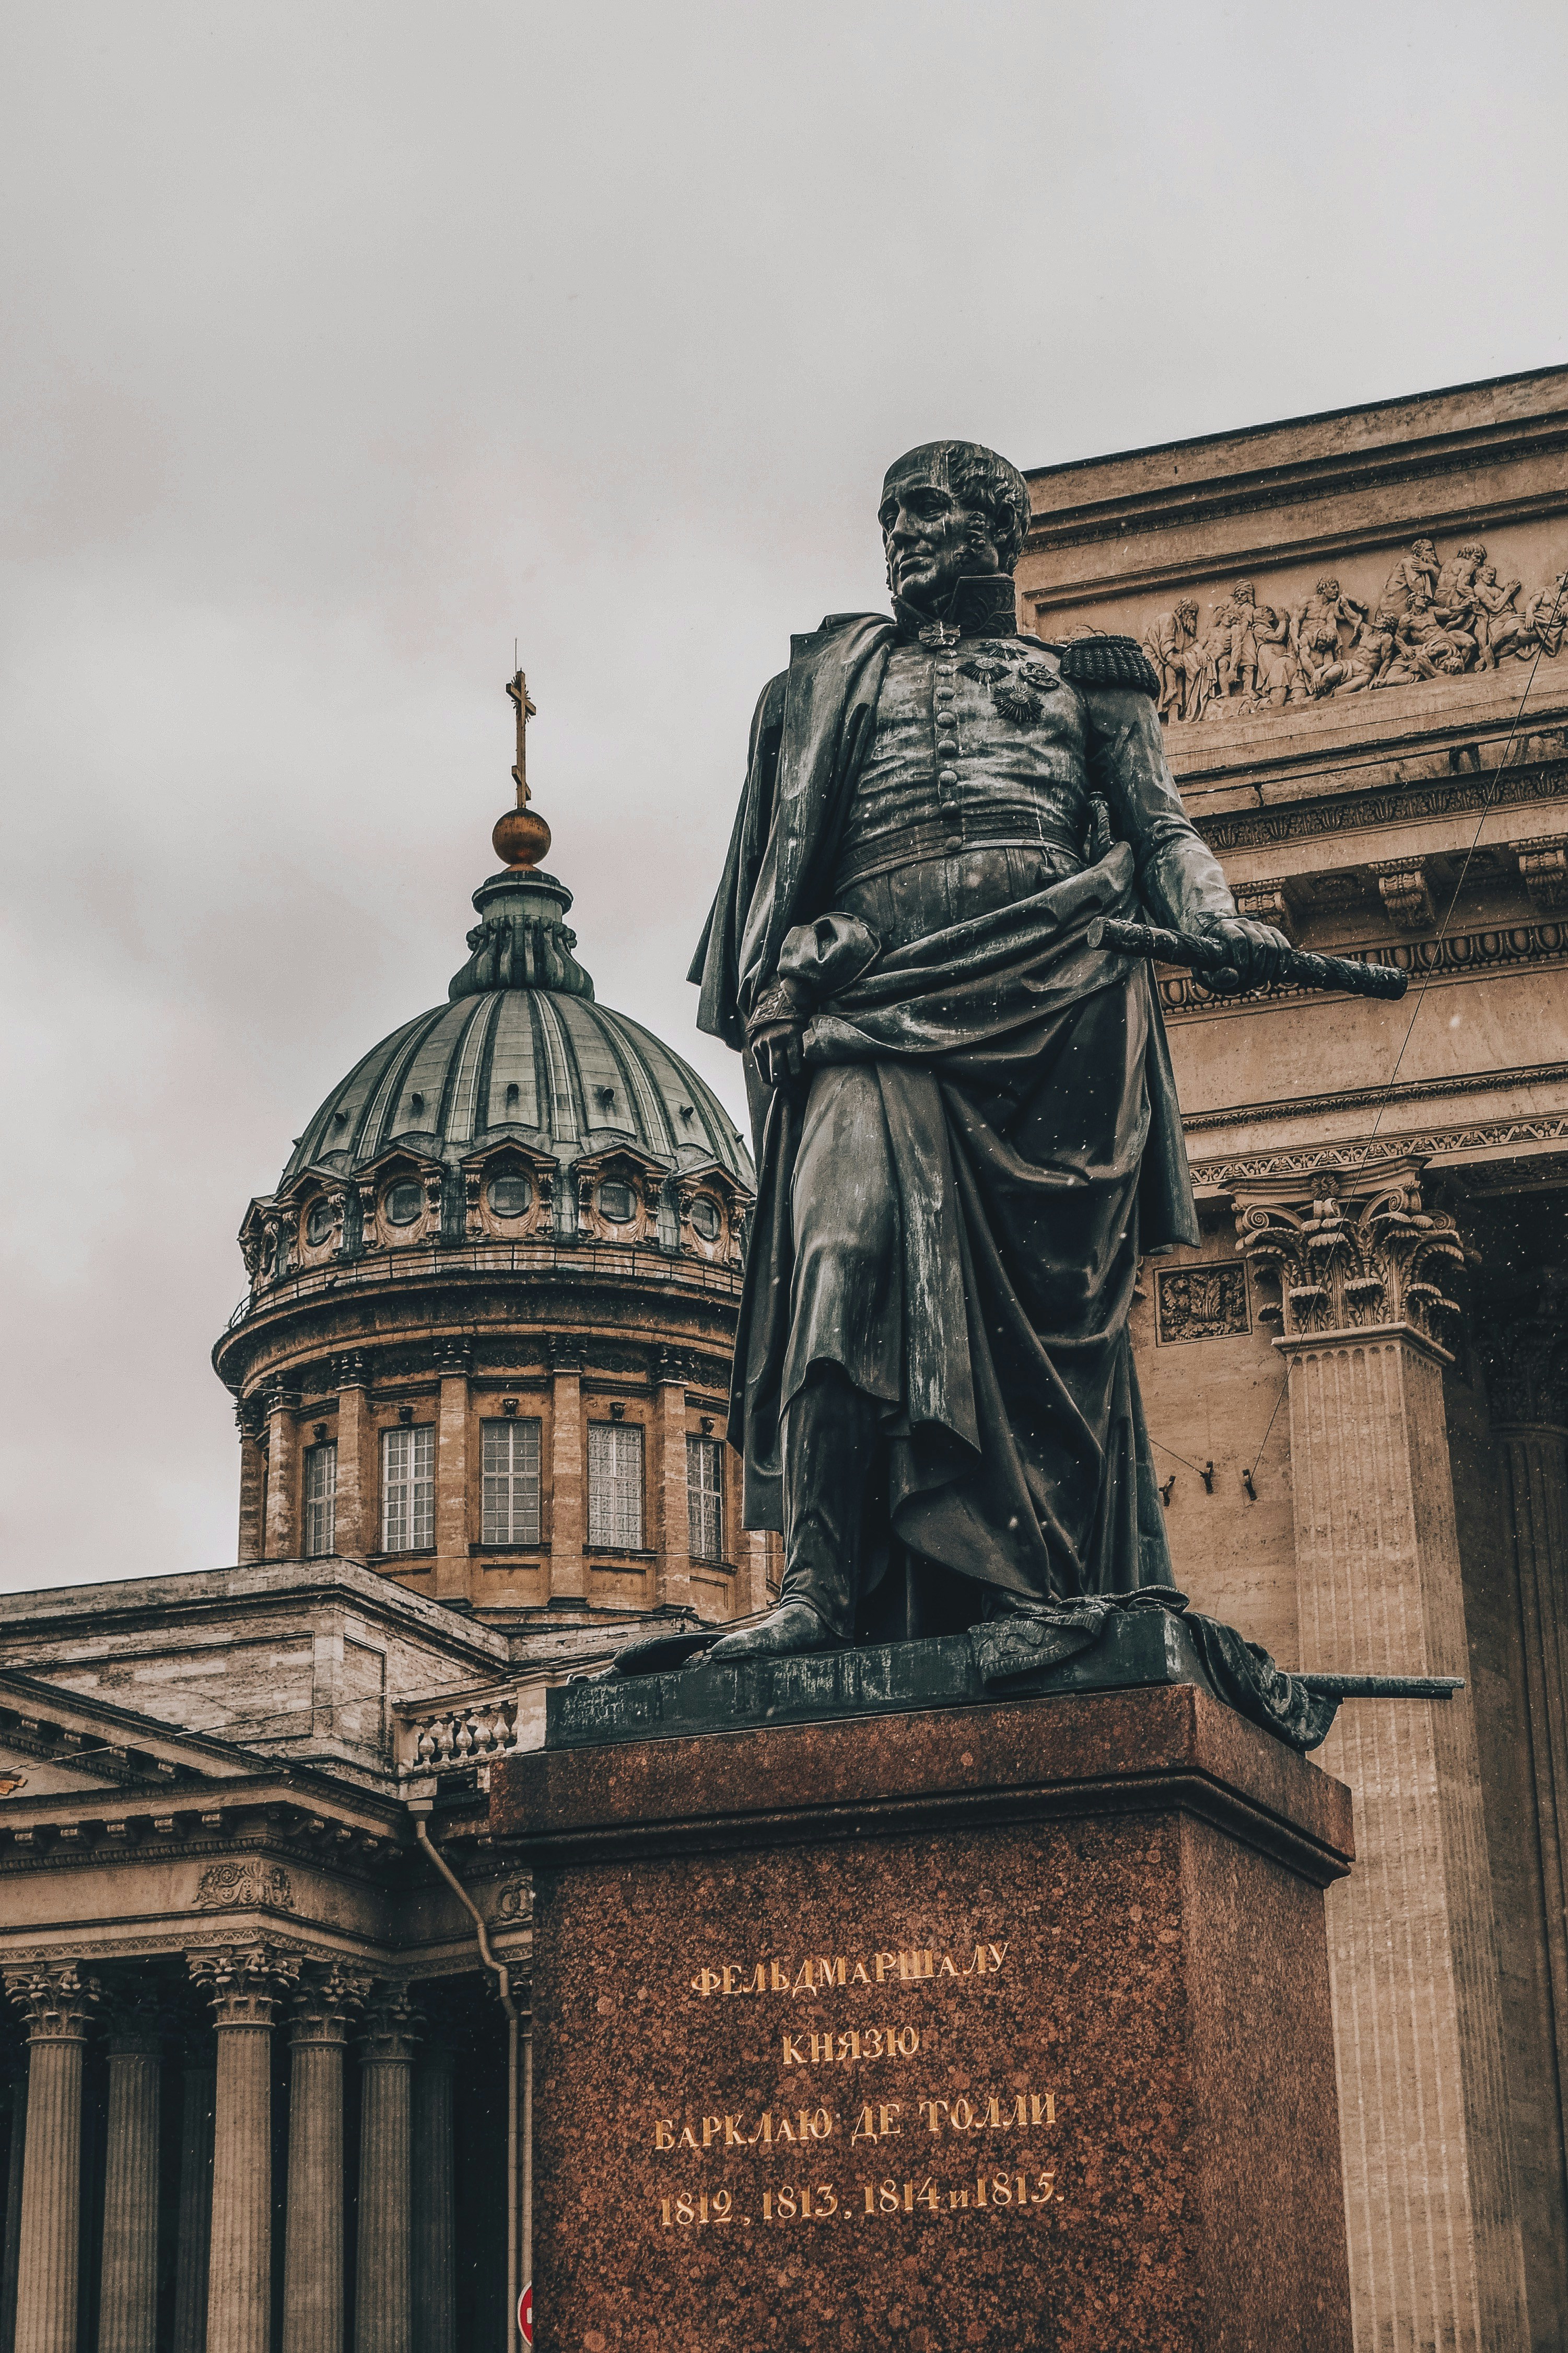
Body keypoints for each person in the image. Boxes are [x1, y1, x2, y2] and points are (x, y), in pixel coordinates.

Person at [689, 440, 1287, 1663]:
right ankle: (817, 1582)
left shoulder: (1086, 684)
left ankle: (1025, 1580)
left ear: (997, 529)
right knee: (842, 1253)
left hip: (1048, 1014)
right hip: (870, 1015)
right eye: (888, 515)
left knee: (1041, 1333)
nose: (901, 534)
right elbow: (765, 896)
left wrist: (1214, 920)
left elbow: (1160, 830)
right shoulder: (820, 689)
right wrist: (799, 961)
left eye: (926, 509)